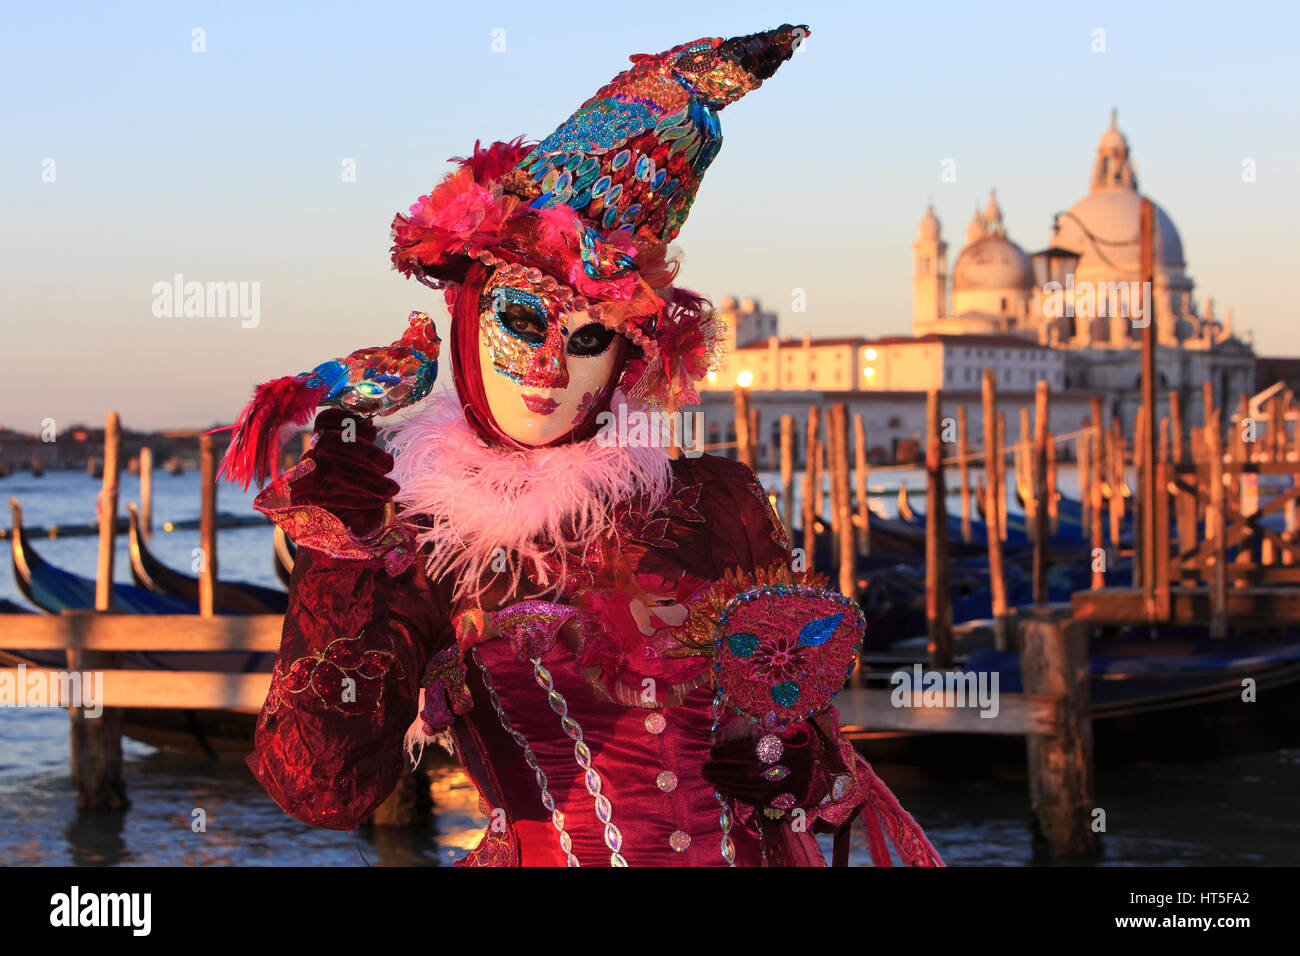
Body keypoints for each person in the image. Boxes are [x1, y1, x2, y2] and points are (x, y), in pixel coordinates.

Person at [232, 24, 942, 867]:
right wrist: (342, 549)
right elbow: (320, 786)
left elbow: (808, 770)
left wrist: (778, 754)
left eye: (587, 337)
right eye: (522, 320)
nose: (546, 364)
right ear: (466, 318)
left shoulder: (717, 502)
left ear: (625, 359)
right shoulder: (420, 540)